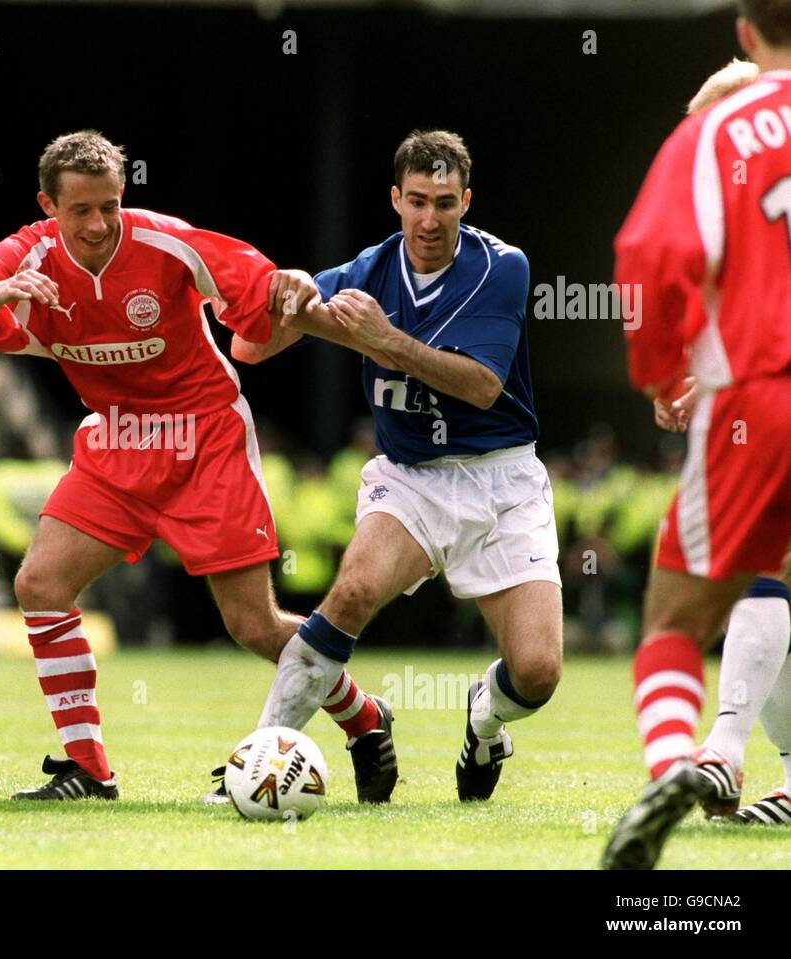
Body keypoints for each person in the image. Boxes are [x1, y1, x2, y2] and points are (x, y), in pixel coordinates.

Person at [0, 130, 395, 801]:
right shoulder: (25, 255)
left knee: (254, 626)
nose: (99, 224)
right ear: (48, 204)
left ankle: (364, 716)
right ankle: (89, 770)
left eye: (110, 206)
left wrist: (290, 285)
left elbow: (255, 281)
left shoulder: (164, 240)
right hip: (116, 445)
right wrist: (0, 291)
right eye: (81, 210)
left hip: (205, 439)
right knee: (39, 584)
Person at [236, 129, 562, 803]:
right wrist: (281, 299)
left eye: (445, 202)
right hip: (412, 477)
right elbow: (249, 347)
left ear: (466, 201)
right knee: (349, 594)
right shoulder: (369, 268)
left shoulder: (503, 267)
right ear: (395, 198)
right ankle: (259, 761)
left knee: (537, 672)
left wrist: (384, 341)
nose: (429, 218)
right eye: (417, 201)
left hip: (503, 479)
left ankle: (483, 719)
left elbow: (479, 386)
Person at [602, 0, 791, 868]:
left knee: (677, 614)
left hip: (759, 390)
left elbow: (647, 252)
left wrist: (660, 371)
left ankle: (685, 763)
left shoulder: (717, 133)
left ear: (747, 33)